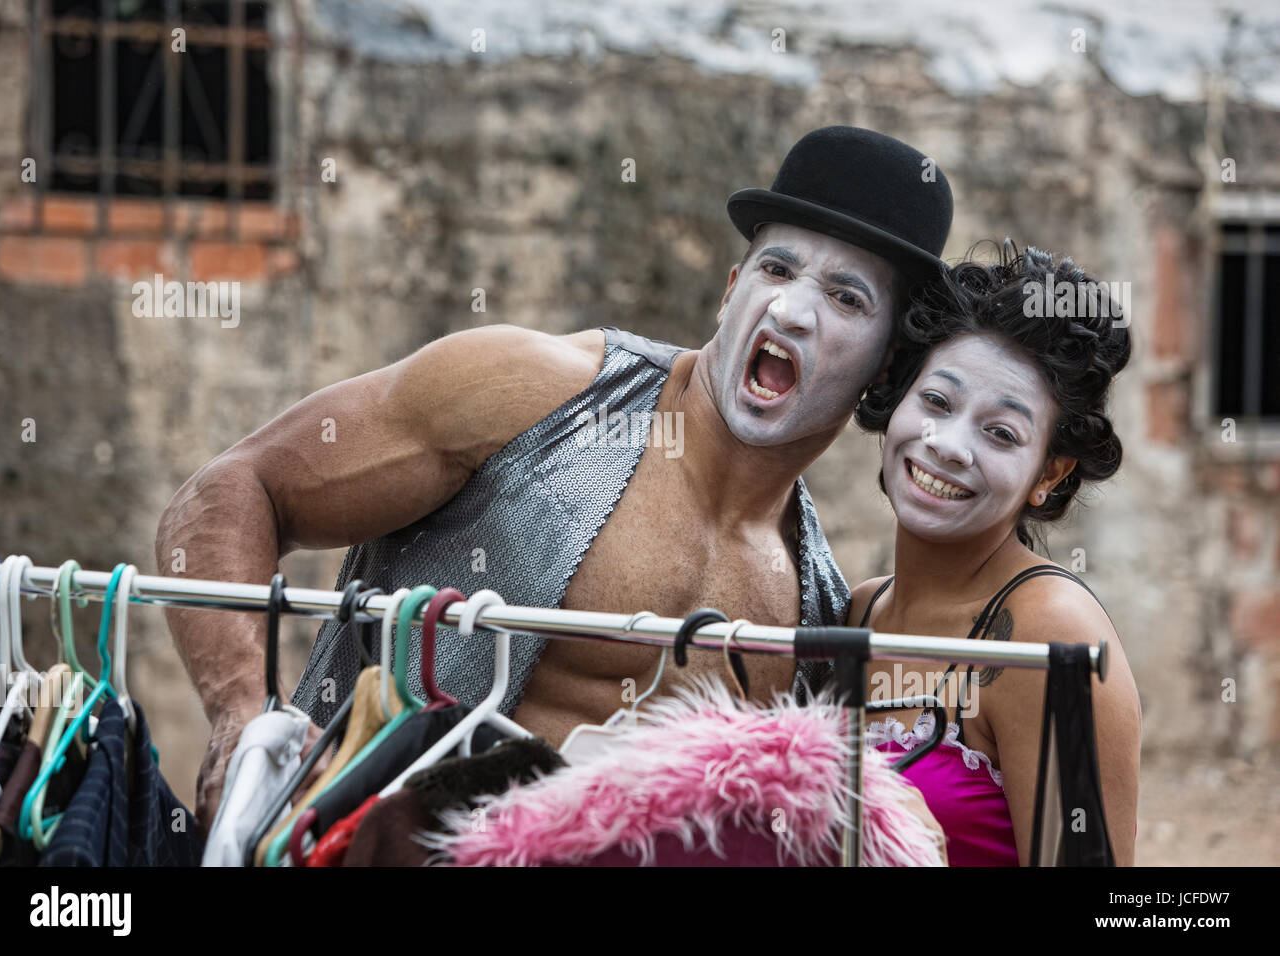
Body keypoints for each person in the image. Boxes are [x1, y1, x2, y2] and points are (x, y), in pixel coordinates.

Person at [155, 126, 955, 833]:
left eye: (846, 298)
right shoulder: (539, 393)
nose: (791, 313)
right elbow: (234, 488)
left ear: (885, 365)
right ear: (728, 290)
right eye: (776, 268)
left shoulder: (811, 605)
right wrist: (239, 717)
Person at [847, 245, 1141, 865]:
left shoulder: (1050, 637)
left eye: (1001, 433)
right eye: (936, 402)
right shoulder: (856, 612)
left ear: (1049, 474)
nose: (950, 446)